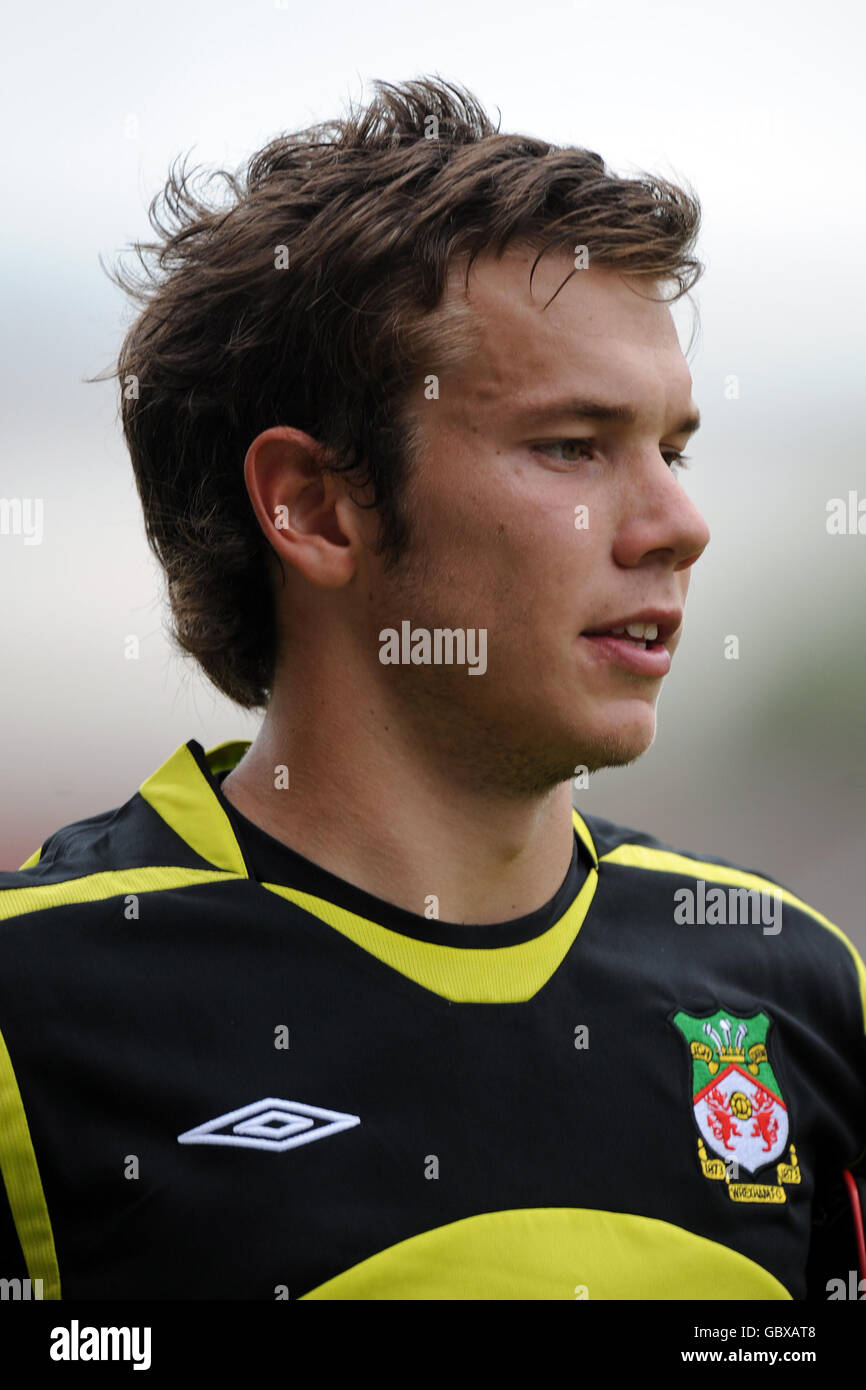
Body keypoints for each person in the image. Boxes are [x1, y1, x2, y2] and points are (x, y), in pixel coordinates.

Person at [1, 76, 863, 1302]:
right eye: (570, 444)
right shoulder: (39, 1005)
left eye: (669, 448)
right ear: (311, 506)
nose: (680, 523)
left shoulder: (790, 984)